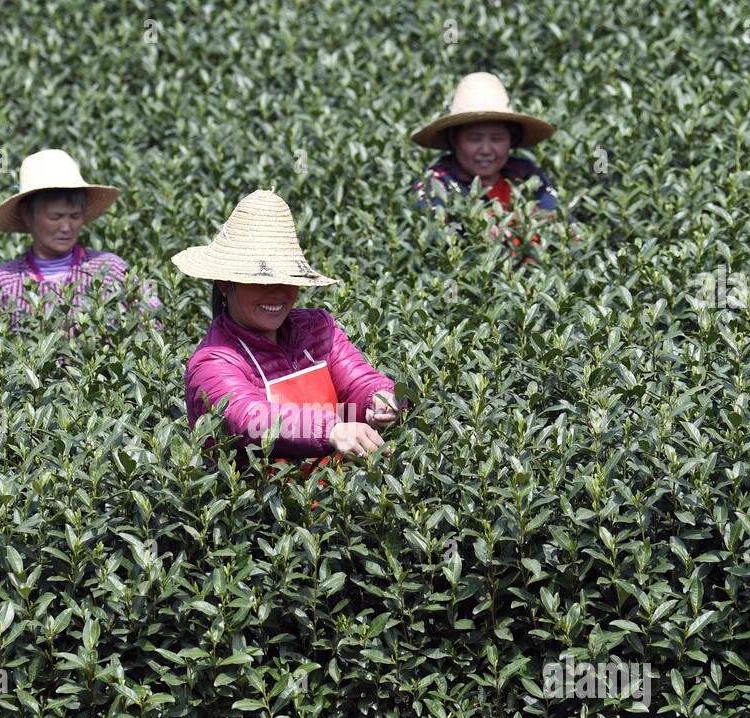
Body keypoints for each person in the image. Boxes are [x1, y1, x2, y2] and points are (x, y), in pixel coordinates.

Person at [176, 189, 401, 468]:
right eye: (258, 281)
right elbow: (248, 418)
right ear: (224, 283)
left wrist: (380, 399)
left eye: (286, 279)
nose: (276, 293)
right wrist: (331, 429)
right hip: (260, 507)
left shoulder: (318, 328)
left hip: (338, 494)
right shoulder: (213, 361)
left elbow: (358, 381)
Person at [0, 148, 161, 334]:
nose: (66, 227)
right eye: (55, 217)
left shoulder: (112, 269)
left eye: (75, 216)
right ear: (27, 215)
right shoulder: (1, 280)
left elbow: (154, 324)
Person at [409, 72, 564, 262]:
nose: (486, 150)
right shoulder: (435, 182)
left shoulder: (525, 173)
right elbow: (434, 231)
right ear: (454, 140)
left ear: (510, 140)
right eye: (474, 139)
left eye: (497, 139)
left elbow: (559, 217)